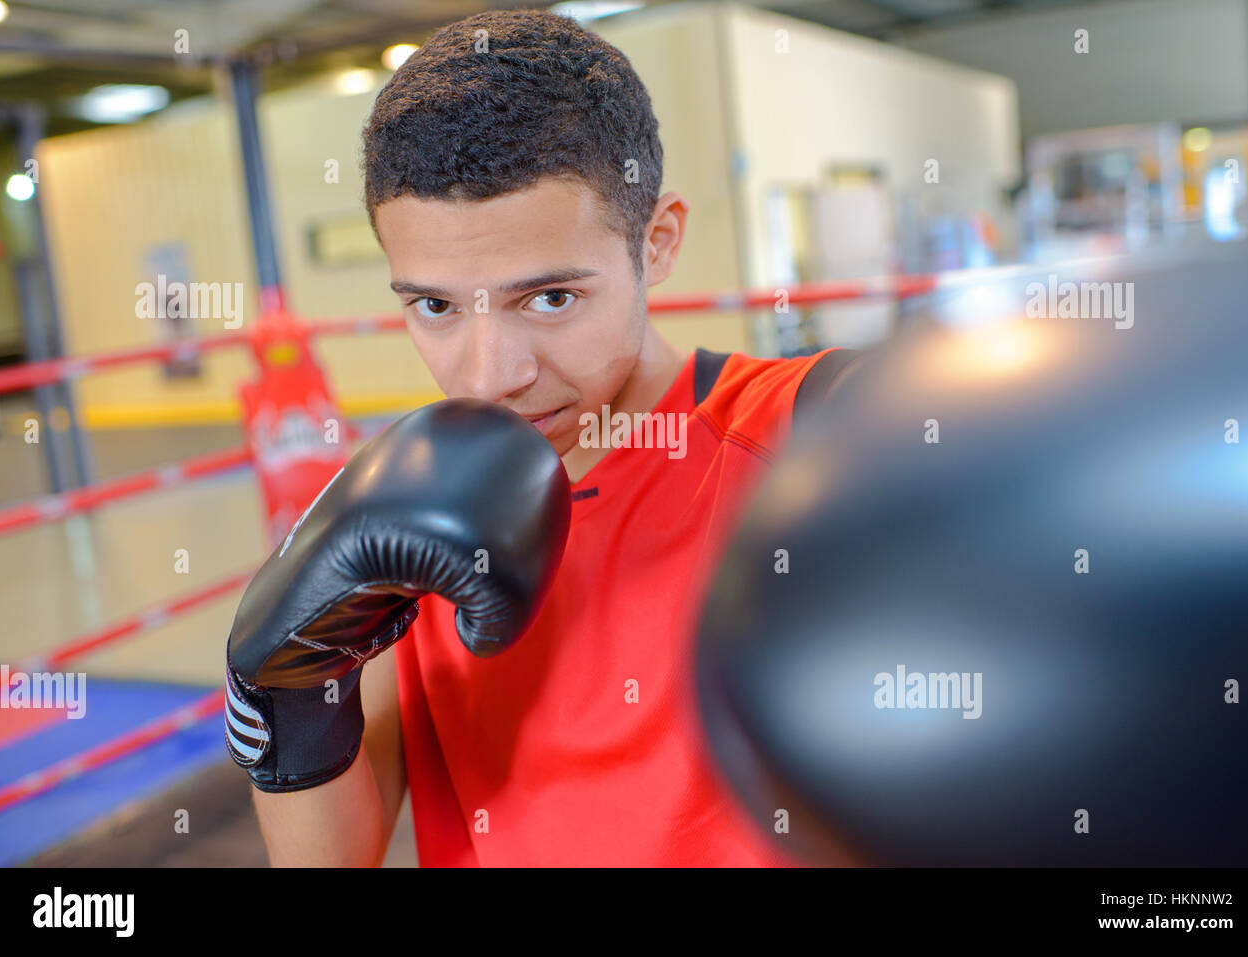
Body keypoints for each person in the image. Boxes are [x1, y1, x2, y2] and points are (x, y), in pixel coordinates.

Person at [244, 8, 856, 867]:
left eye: (551, 298)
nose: (491, 374)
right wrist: (289, 695)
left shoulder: (807, 443)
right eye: (436, 307)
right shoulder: (398, 508)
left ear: (659, 240)